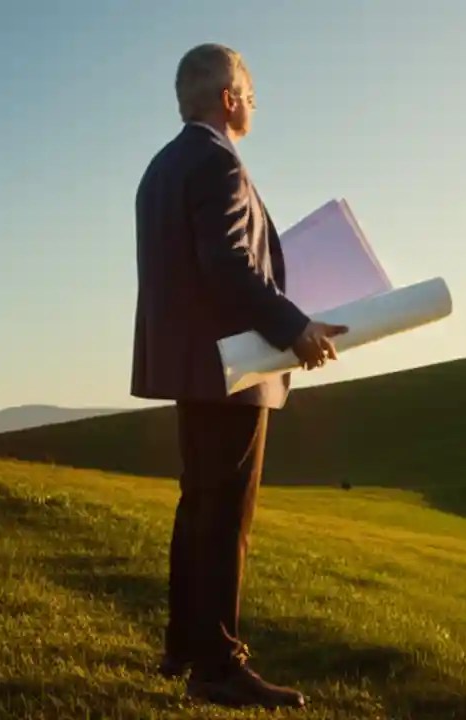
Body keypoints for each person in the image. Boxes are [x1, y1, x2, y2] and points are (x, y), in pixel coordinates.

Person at [130, 42, 347, 709]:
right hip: (234, 366)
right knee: (226, 517)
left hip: (192, 364)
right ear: (228, 98)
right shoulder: (219, 163)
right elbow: (228, 266)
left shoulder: (161, 167)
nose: (253, 106)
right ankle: (218, 668)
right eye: (250, 96)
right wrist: (294, 328)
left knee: (199, 506)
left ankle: (183, 648)